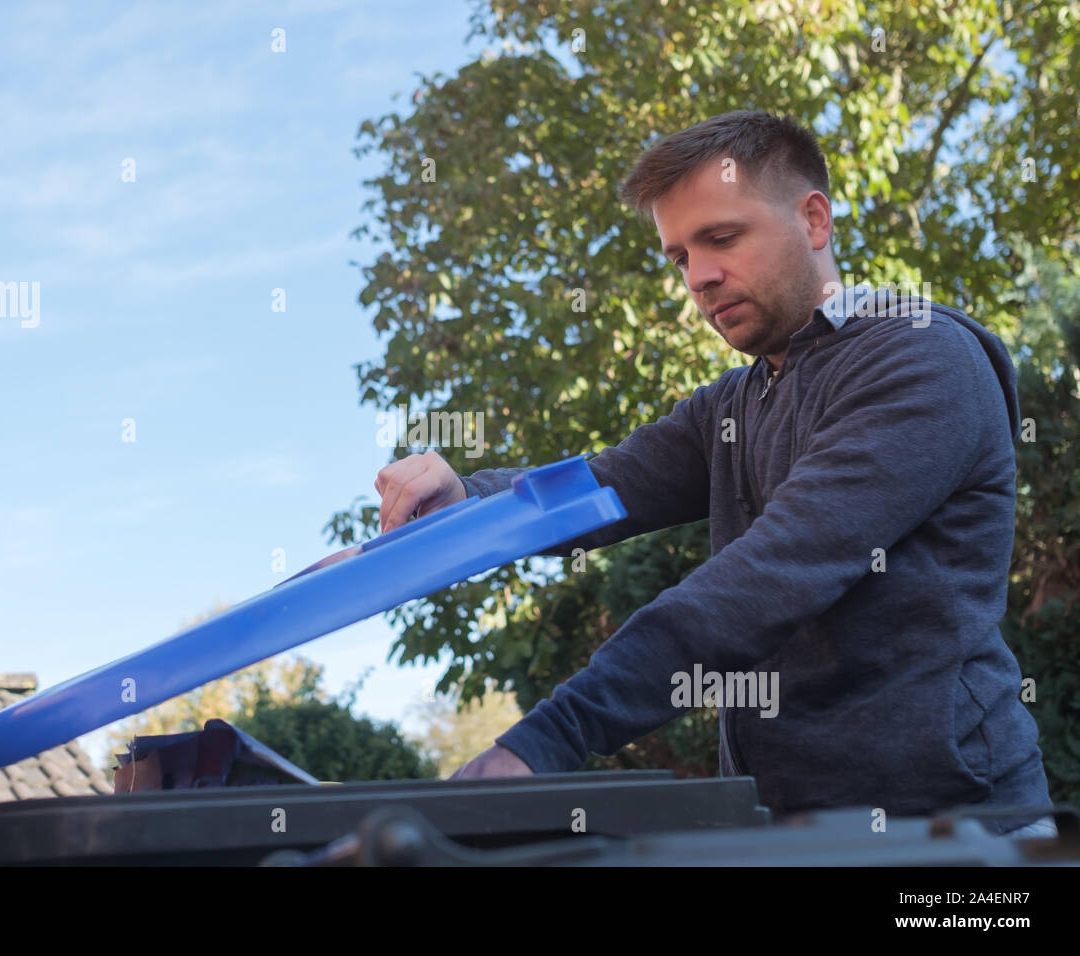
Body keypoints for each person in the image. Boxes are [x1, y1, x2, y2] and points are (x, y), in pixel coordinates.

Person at [373, 110, 1056, 838]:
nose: (699, 277)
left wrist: (545, 742)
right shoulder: (734, 402)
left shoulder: (920, 360)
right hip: (787, 834)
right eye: (679, 258)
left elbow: (768, 578)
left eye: (722, 238)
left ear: (815, 221)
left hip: (961, 836)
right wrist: (458, 508)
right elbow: (595, 491)